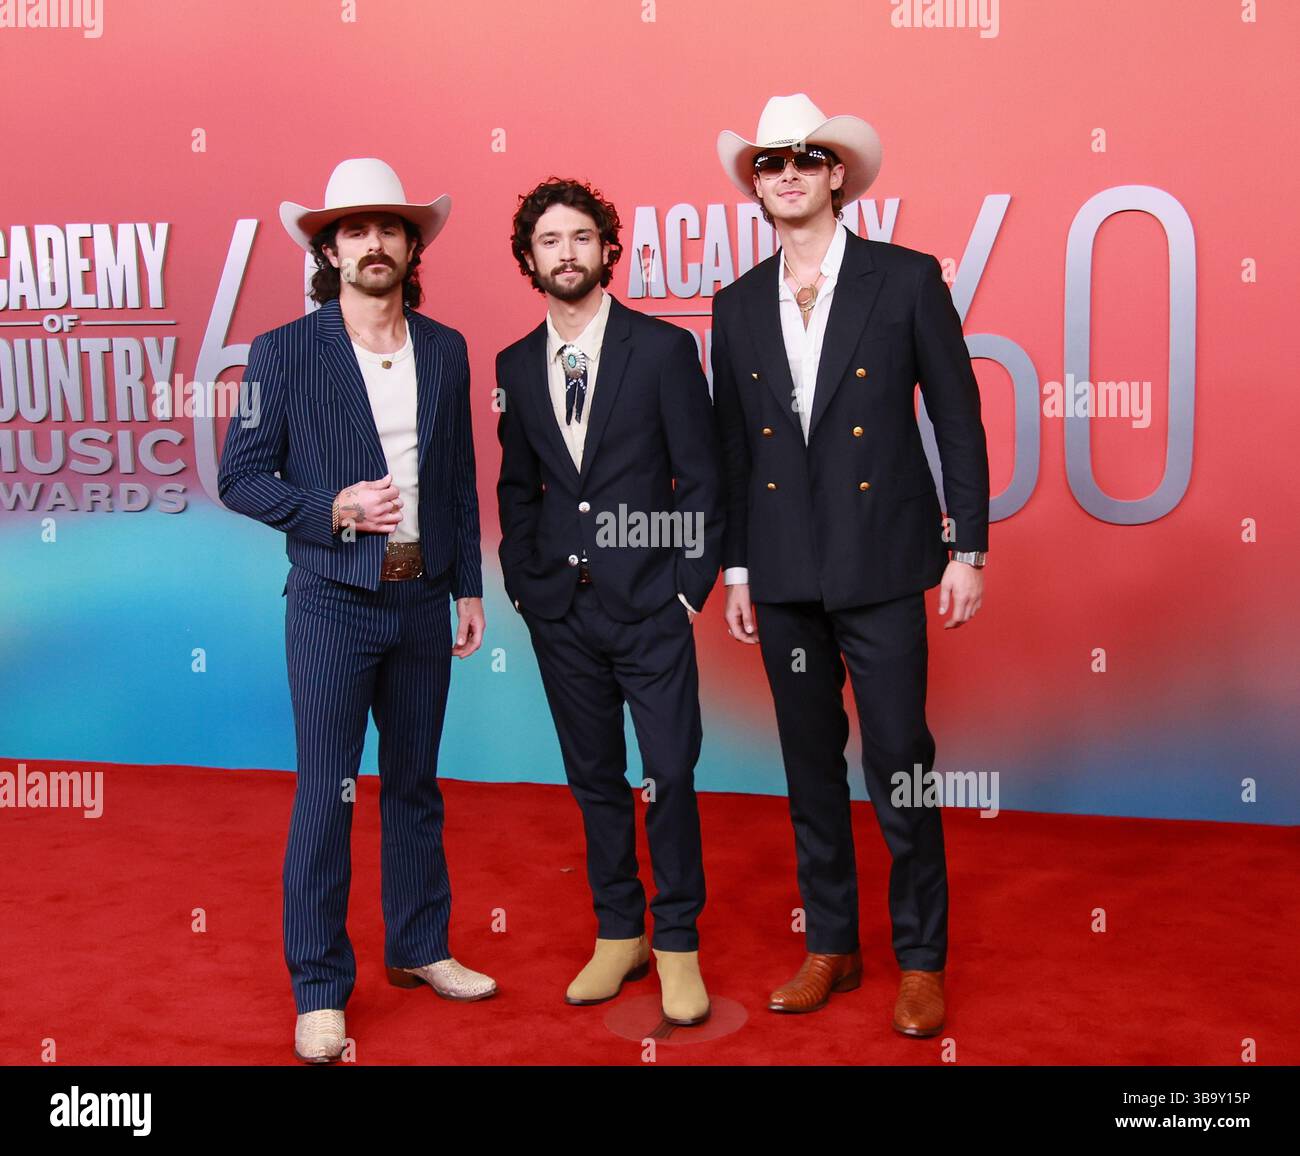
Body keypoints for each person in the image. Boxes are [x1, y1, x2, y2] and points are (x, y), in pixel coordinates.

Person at [711, 95, 990, 1036]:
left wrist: (969, 545)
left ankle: (921, 958)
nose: (785, 173)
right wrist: (739, 571)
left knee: (901, 762)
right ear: (757, 186)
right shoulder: (736, 301)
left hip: (883, 566)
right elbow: (736, 451)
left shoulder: (906, 280)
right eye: (768, 163)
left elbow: (957, 417)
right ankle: (831, 941)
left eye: (804, 157)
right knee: (808, 765)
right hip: (784, 576)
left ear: (837, 175)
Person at [218, 157, 494, 1064]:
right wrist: (330, 510)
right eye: (353, 230)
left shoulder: (448, 347)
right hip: (333, 604)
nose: (373, 243)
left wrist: (466, 588)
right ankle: (320, 988)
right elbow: (239, 476)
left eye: (389, 228)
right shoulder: (281, 352)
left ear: (413, 246)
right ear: (327, 249)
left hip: (423, 599)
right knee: (327, 796)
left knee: (416, 786)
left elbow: (456, 476)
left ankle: (420, 947)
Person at [495, 178, 722, 1026]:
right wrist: (525, 584)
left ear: (607, 249)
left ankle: (676, 946)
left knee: (667, 773)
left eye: (581, 237)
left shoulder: (663, 351)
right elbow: (518, 487)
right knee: (594, 779)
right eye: (549, 241)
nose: (566, 253)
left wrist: (688, 592)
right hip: (561, 612)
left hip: (652, 606)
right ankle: (618, 932)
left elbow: (700, 479)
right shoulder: (513, 365)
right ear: (530, 259)